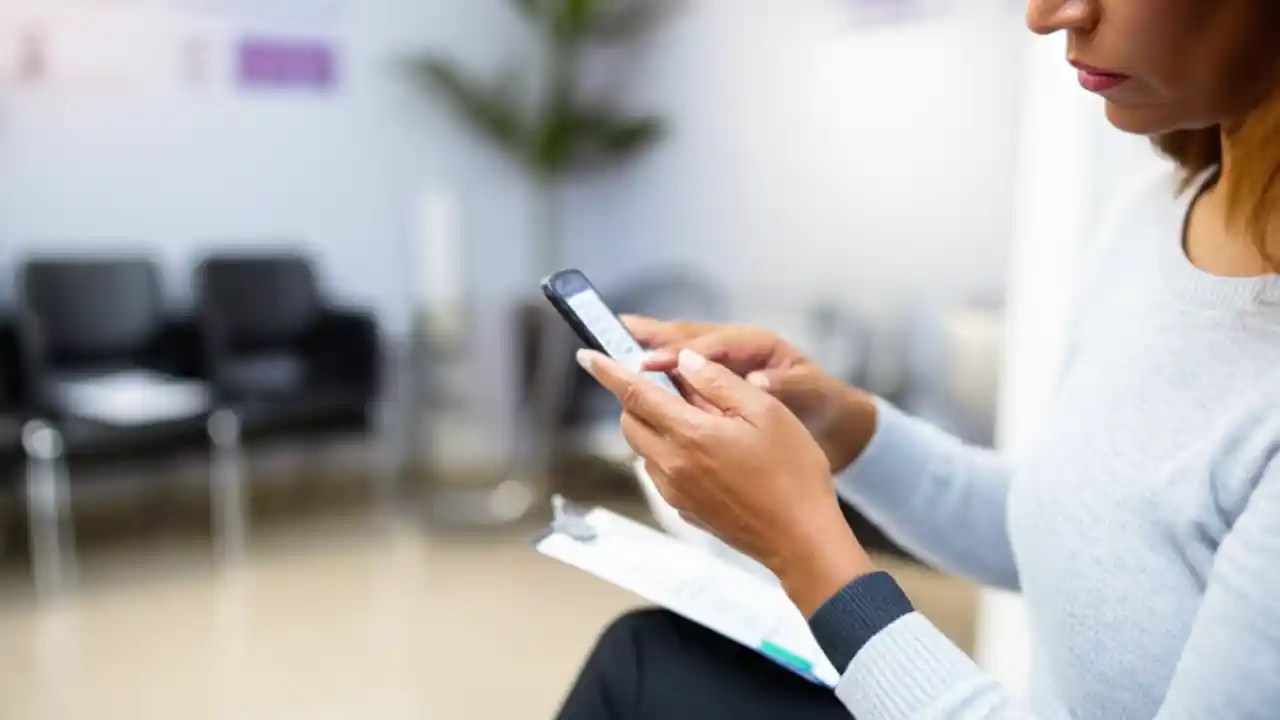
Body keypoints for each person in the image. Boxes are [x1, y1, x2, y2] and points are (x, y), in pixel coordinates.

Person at [556, 0, 1280, 717]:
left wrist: (799, 543)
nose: (1045, 15)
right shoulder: (1155, 216)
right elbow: (1079, 538)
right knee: (648, 658)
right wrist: (835, 422)